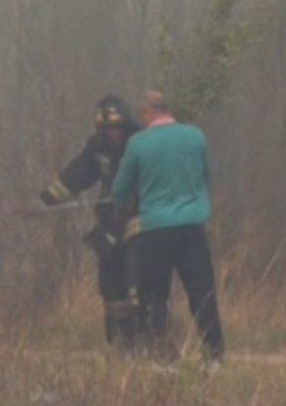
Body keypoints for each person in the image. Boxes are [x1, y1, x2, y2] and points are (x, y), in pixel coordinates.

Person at [111, 90, 224, 363]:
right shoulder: (195, 136)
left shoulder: (138, 143)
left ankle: (163, 356)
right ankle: (215, 355)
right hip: (192, 227)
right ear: (168, 110)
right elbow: (206, 175)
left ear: (148, 114)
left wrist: (131, 198)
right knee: (202, 293)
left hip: (155, 230)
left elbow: (119, 190)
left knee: (154, 295)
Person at [38, 95, 143, 349]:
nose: (112, 134)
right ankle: (118, 342)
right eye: (106, 129)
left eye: (115, 128)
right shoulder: (97, 147)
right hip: (109, 221)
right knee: (110, 284)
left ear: (126, 124)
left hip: (140, 221)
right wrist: (45, 200)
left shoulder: (140, 143)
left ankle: (147, 337)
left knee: (138, 282)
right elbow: (78, 174)